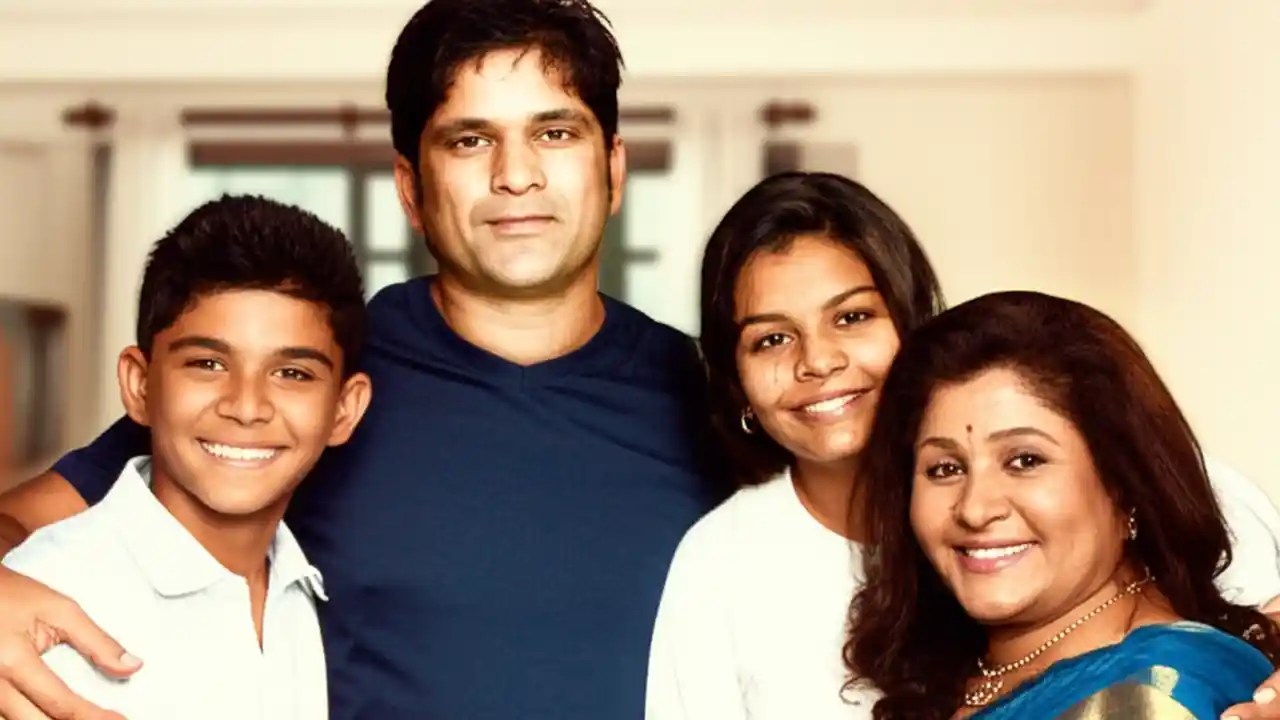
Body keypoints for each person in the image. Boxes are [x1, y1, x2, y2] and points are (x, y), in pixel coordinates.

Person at [0, 1, 723, 718]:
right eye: (470, 141)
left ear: (614, 166)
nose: (516, 175)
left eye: (555, 132)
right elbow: (33, 526)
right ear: (410, 188)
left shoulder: (714, 394)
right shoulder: (310, 379)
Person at [646, 172, 1280, 720]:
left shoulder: (1167, 659)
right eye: (771, 339)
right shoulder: (725, 562)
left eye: (852, 317)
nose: (819, 361)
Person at [2, 195, 372, 719]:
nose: (247, 407)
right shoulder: (42, 601)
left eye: (292, 373)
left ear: (344, 409)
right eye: (208, 363)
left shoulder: (300, 591)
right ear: (139, 385)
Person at [844, 290, 1280, 719]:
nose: (974, 510)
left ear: (1123, 484)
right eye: (944, 469)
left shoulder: (1151, 693)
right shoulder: (959, 668)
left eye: (1025, 460)